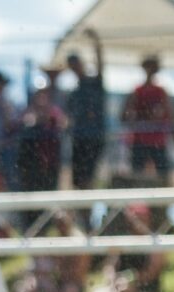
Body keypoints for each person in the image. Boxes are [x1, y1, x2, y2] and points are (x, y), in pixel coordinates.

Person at [64, 29, 106, 189]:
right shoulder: (73, 93)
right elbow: (68, 117)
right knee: (78, 180)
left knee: (89, 179)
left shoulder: (94, 83)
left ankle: (87, 212)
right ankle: (80, 213)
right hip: (79, 138)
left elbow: (101, 63)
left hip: (94, 138)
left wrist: (96, 42)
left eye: (76, 63)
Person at [121, 55, 173, 180]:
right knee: (137, 176)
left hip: (157, 140)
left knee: (162, 176)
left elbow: (166, 114)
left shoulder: (160, 91)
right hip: (140, 139)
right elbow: (125, 114)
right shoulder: (137, 91)